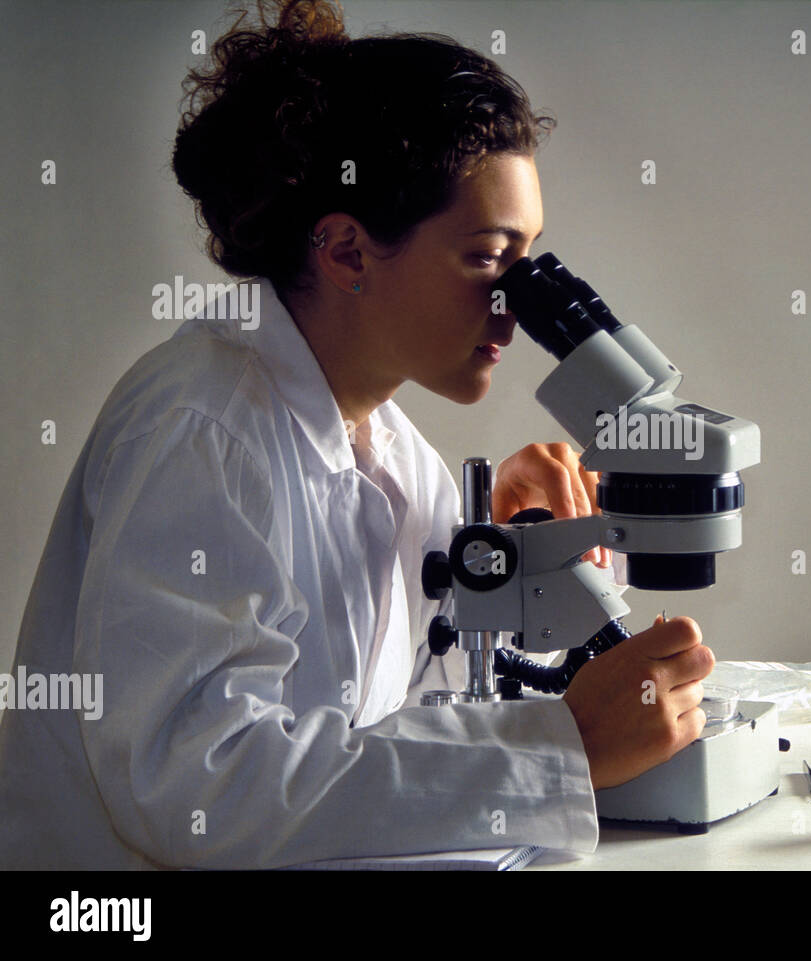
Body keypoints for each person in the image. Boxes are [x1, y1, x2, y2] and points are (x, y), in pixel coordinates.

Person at [0, 0, 713, 869]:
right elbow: (197, 789)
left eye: (528, 262)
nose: (514, 308)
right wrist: (562, 747)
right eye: (489, 257)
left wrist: (501, 560)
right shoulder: (204, 426)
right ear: (345, 252)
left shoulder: (396, 453)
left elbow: (393, 728)